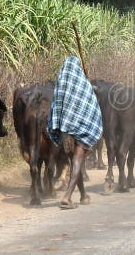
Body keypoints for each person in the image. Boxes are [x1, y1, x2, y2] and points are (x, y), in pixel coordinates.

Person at [47, 56, 103, 209]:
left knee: (75, 162)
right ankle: (67, 197)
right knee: (78, 161)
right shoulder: (83, 84)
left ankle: (83, 195)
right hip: (82, 129)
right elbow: (91, 107)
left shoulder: (61, 84)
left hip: (65, 129)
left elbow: (55, 107)